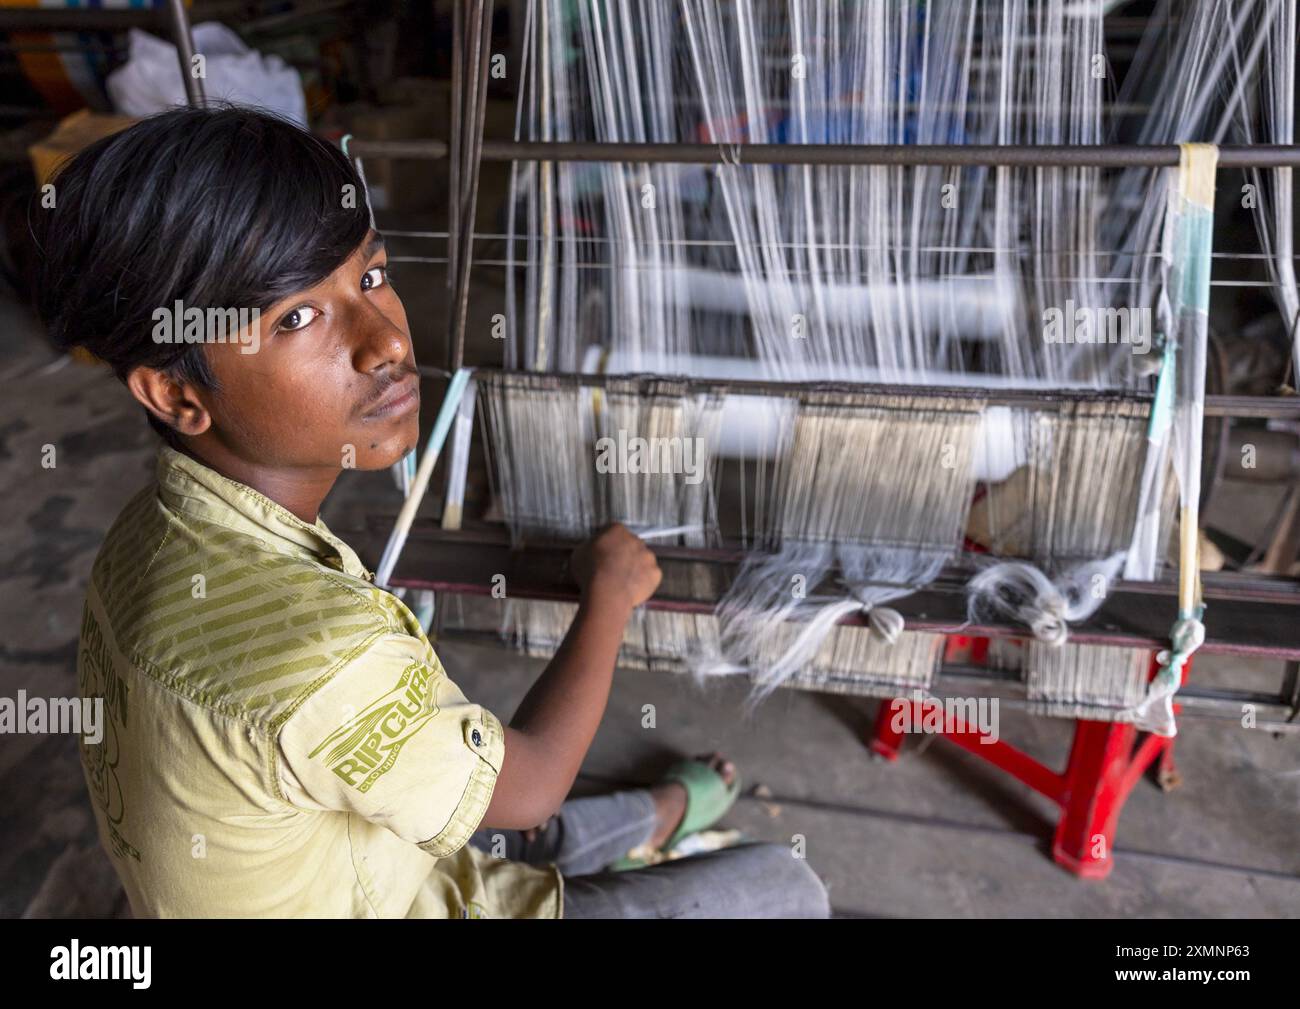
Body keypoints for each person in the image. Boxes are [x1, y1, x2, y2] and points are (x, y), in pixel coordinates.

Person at [32, 105, 830, 919]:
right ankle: (647, 820)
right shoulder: (325, 657)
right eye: (297, 317)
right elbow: (533, 785)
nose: (385, 341)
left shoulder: (147, 531)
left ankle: (650, 814)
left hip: (321, 867)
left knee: (454, 815)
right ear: (176, 392)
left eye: (370, 276)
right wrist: (609, 597)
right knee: (781, 885)